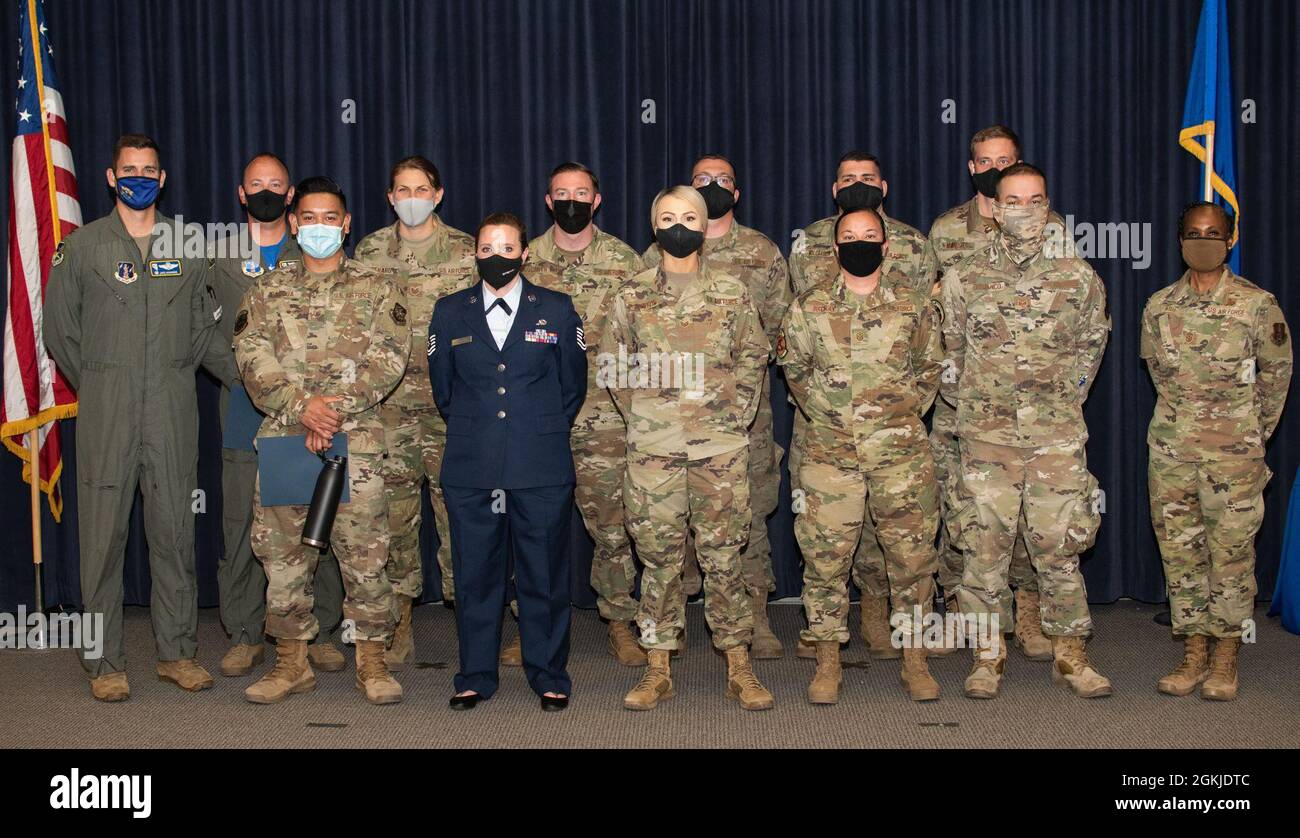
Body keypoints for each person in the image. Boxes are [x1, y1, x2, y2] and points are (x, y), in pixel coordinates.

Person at [44, 133, 235, 702]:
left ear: (163, 178)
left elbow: (204, 326)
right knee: (102, 537)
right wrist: (104, 379)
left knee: (175, 531)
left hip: (173, 409)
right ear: (110, 177)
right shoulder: (82, 248)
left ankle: (176, 652)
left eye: (149, 169)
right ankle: (103, 660)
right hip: (107, 410)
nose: (139, 178)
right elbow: (60, 331)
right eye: (129, 169)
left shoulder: (188, 244)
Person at [235, 176, 410, 705]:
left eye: (329, 218)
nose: (317, 227)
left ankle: (373, 663)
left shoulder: (378, 286)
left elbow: (390, 358)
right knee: (284, 557)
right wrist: (300, 407)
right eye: (307, 218)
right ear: (293, 223)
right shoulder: (266, 290)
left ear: (346, 223)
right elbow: (251, 356)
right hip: (287, 440)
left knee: (366, 556)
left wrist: (331, 411)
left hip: (354, 442)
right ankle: (292, 664)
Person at [941, 163, 1111, 699]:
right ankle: (987, 657)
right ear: (993, 207)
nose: (1025, 210)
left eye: (1035, 200)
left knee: (1058, 547)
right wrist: (976, 405)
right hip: (987, 439)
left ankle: (1071, 655)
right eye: (1013, 200)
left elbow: (1091, 349)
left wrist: (1062, 401)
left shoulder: (1077, 277)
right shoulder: (964, 277)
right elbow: (949, 355)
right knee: (984, 550)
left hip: (1055, 438)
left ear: (1048, 205)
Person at [602, 186, 773, 711]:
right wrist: (649, 421)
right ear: (654, 226)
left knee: (725, 557)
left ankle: (738, 664)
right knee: (657, 561)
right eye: (668, 217)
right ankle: (657, 667)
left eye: (689, 216)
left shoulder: (731, 292)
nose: (680, 225)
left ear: (704, 225)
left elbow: (754, 355)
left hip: (718, 451)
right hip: (653, 453)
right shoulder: (630, 295)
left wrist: (732, 417)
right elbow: (612, 367)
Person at [779, 208, 944, 702]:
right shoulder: (808, 307)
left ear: (886, 246)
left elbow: (929, 368)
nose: (860, 243)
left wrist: (896, 416)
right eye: (849, 237)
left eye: (870, 235)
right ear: (834, 249)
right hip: (829, 455)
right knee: (825, 561)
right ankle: (828, 660)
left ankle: (914, 658)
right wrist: (834, 417)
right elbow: (796, 370)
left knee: (912, 559)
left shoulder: (913, 306)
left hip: (900, 456)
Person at [428, 212, 586, 712]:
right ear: (475, 253)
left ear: (524, 253)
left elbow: (571, 386)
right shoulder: (449, 311)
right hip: (472, 462)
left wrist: (529, 428)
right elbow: (444, 390)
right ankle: (475, 674)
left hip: (538, 463)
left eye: (507, 248)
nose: (497, 257)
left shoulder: (558, 310)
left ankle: (549, 673)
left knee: (543, 572)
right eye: (487, 248)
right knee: (475, 575)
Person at [925, 125, 1067, 660]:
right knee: (963, 508)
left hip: (1031, 407)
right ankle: (964, 614)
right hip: (960, 402)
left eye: (1002, 160)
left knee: (1029, 513)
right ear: (971, 167)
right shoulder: (945, 229)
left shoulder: (1051, 228)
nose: (991, 168)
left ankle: (1027, 616)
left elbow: (1071, 315)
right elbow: (935, 314)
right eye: (983, 161)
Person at [642, 154, 793, 658]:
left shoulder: (761, 251)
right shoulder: (647, 261)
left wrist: (737, 404)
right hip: (665, 424)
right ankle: (673, 624)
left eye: (723, 180)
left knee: (745, 511)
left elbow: (770, 337)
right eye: (702, 180)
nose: (712, 186)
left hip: (737, 418)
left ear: (737, 191)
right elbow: (623, 357)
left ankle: (753, 614)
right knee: (671, 522)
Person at [1141, 201, 1292, 701]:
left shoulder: (1257, 304)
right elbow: (1160, 377)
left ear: (1230, 239)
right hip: (1172, 454)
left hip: (1234, 458)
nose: (1202, 240)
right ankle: (1192, 655)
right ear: (1179, 239)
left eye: (1212, 233)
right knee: (1180, 556)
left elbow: (1276, 378)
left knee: (1229, 557)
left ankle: (1226, 659)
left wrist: (1248, 434)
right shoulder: (1159, 306)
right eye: (1192, 232)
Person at [210, 152, 346, 678]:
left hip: (313, 418)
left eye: (277, 184)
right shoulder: (216, 256)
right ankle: (245, 633)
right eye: (255, 184)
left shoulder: (313, 251)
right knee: (243, 526)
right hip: (244, 409)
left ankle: (325, 631)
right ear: (241, 193)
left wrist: (304, 397)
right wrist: (252, 377)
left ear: (291, 200)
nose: (266, 191)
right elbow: (202, 328)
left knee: (319, 524)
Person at [354, 155, 476, 670]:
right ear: (389, 196)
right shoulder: (369, 251)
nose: (411, 197)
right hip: (389, 411)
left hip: (454, 409)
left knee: (462, 520)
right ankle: (399, 619)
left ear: (438, 194)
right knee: (396, 520)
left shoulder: (469, 251)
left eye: (420, 188)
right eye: (402, 188)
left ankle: (473, 621)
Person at [527, 162, 646, 666]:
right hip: (537, 412)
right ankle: (529, 626)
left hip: (606, 414)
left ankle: (619, 620)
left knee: (612, 524)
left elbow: (645, 335)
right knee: (530, 525)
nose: (572, 201)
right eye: (562, 193)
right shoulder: (525, 256)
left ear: (596, 201)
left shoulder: (624, 259)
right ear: (549, 201)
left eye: (582, 193)